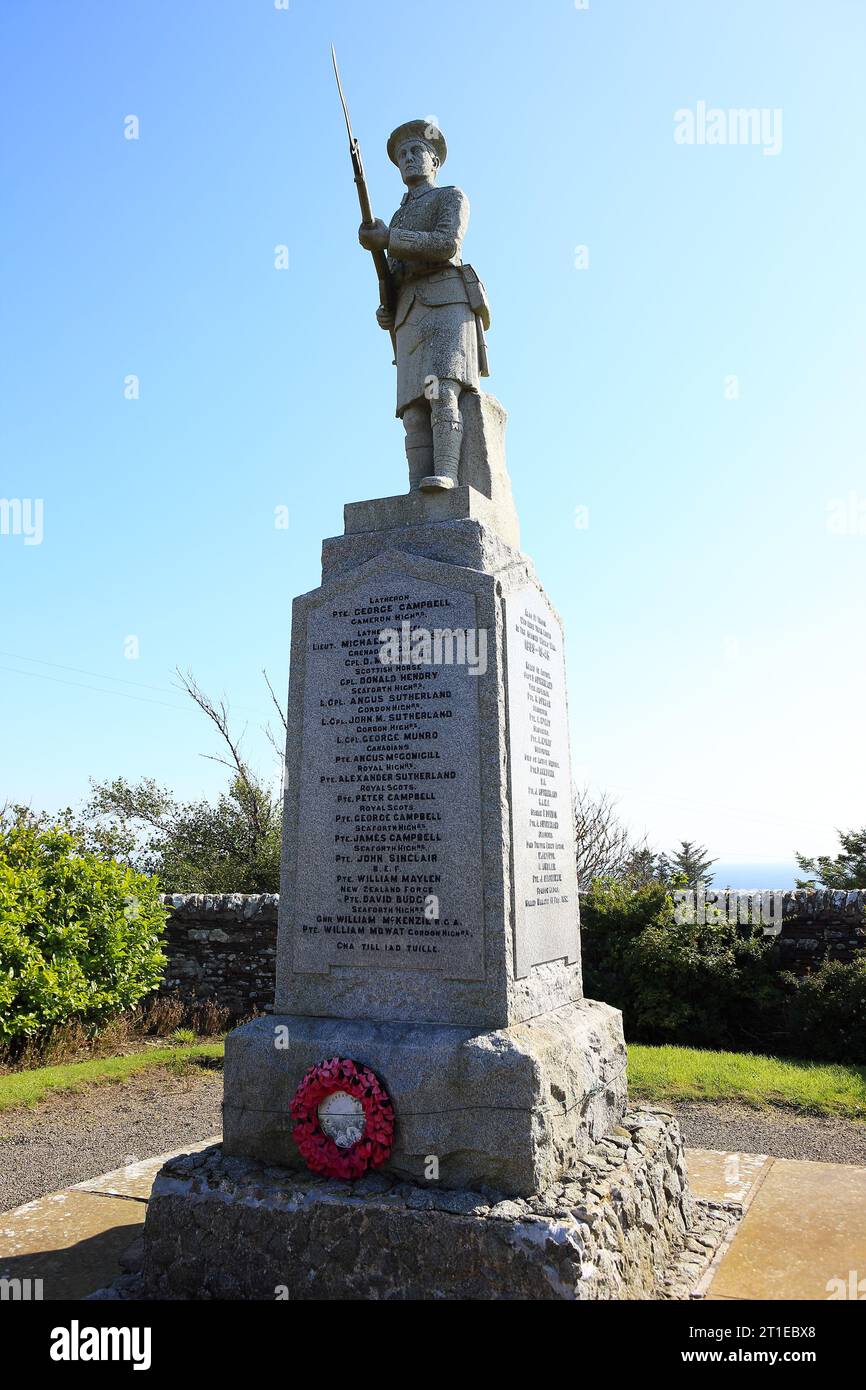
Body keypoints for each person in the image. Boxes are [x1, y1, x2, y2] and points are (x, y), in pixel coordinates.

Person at [358, 120, 490, 492]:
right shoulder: (398, 217)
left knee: (442, 392)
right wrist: (387, 305)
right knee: (412, 412)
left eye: (417, 151)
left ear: (434, 161)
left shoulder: (451, 196)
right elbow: (395, 274)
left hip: (448, 300)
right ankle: (419, 487)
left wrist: (389, 238)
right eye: (402, 155)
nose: (408, 159)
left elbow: (447, 244)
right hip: (409, 312)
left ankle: (447, 473)